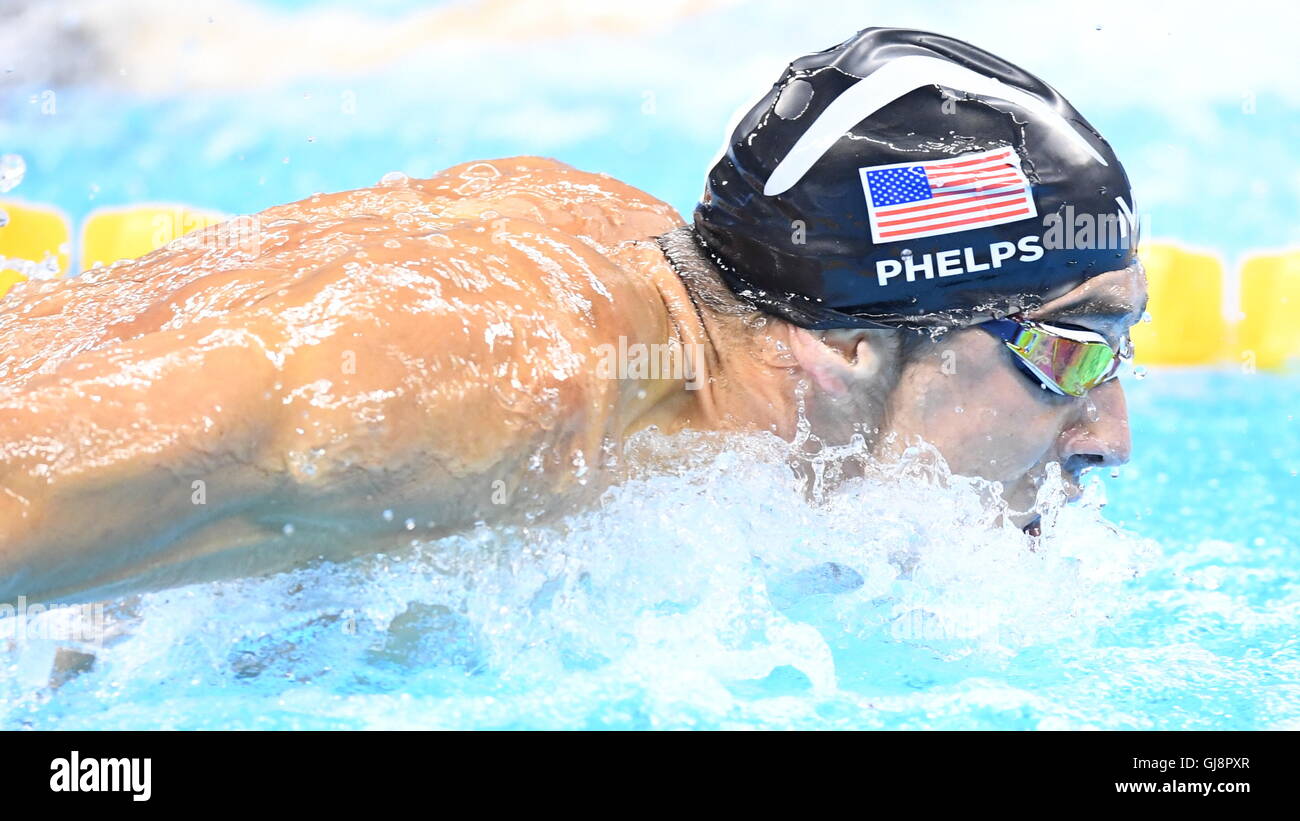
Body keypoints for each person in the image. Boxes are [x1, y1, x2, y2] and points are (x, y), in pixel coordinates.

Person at [0, 28, 1146, 605]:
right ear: (848, 348)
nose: (1109, 432)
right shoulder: (498, 381)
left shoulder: (652, 302)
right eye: (1064, 350)